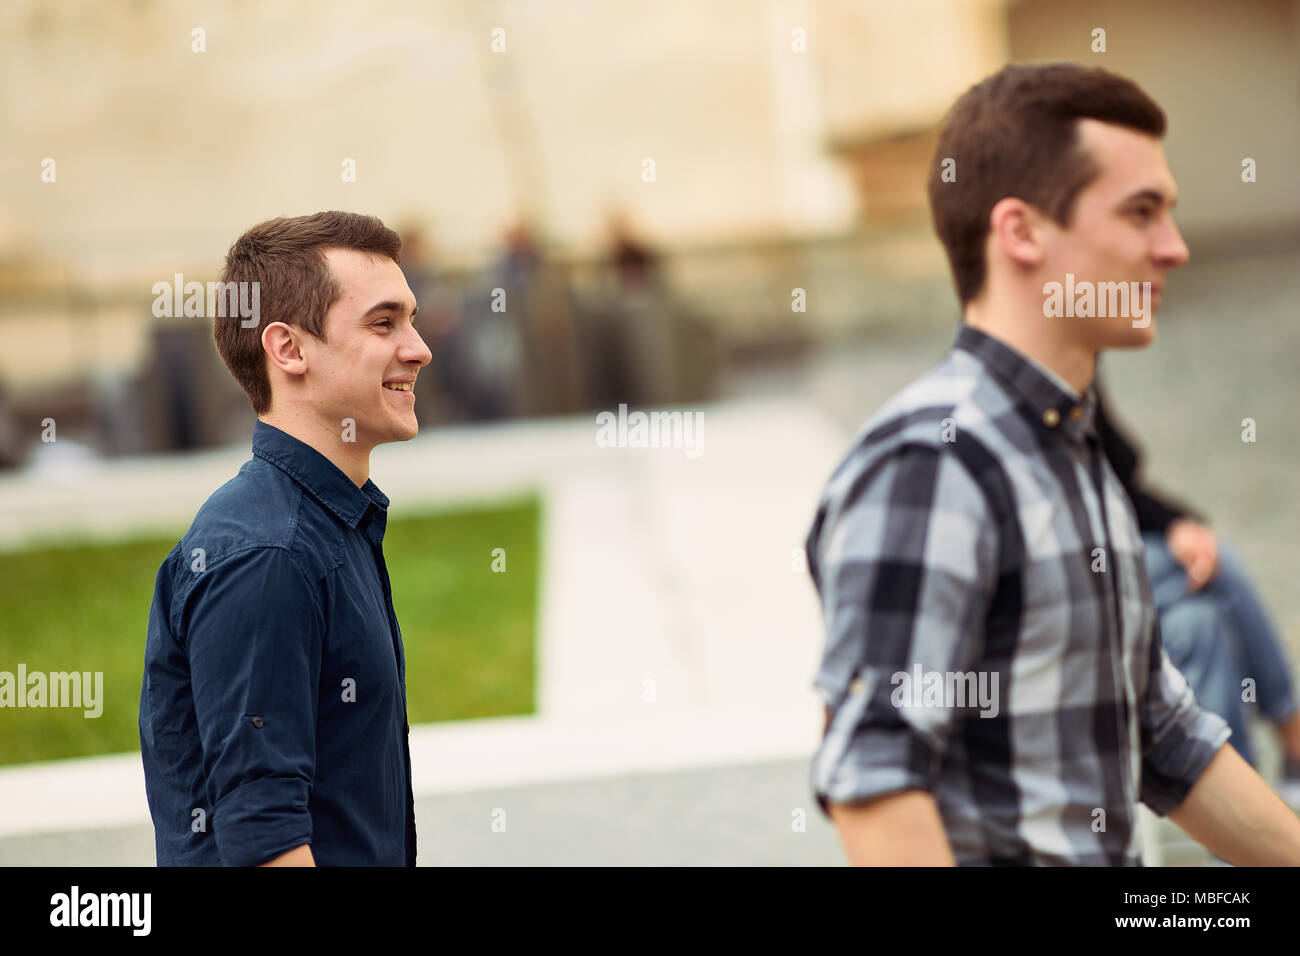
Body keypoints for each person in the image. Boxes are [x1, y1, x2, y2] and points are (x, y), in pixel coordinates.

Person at [806, 63, 1300, 865]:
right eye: (1142, 213)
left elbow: (1163, 740)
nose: (1173, 249)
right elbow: (874, 782)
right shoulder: (935, 463)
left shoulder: (1074, 453)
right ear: (1022, 232)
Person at [139, 211, 432, 866]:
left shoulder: (329, 522)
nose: (419, 348)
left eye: (410, 320)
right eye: (383, 323)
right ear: (289, 349)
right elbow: (265, 843)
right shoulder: (269, 555)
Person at [1095, 383, 1300, 803]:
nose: (1154, 310)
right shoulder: (1037, 387)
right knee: (1217, 562)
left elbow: (1122, 491)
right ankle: (1293, 738)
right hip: (1081, 592)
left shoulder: (1077, 371)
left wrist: (1175, 524)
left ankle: (1242, 832)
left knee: (1199, 624)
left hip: (1125, 573)